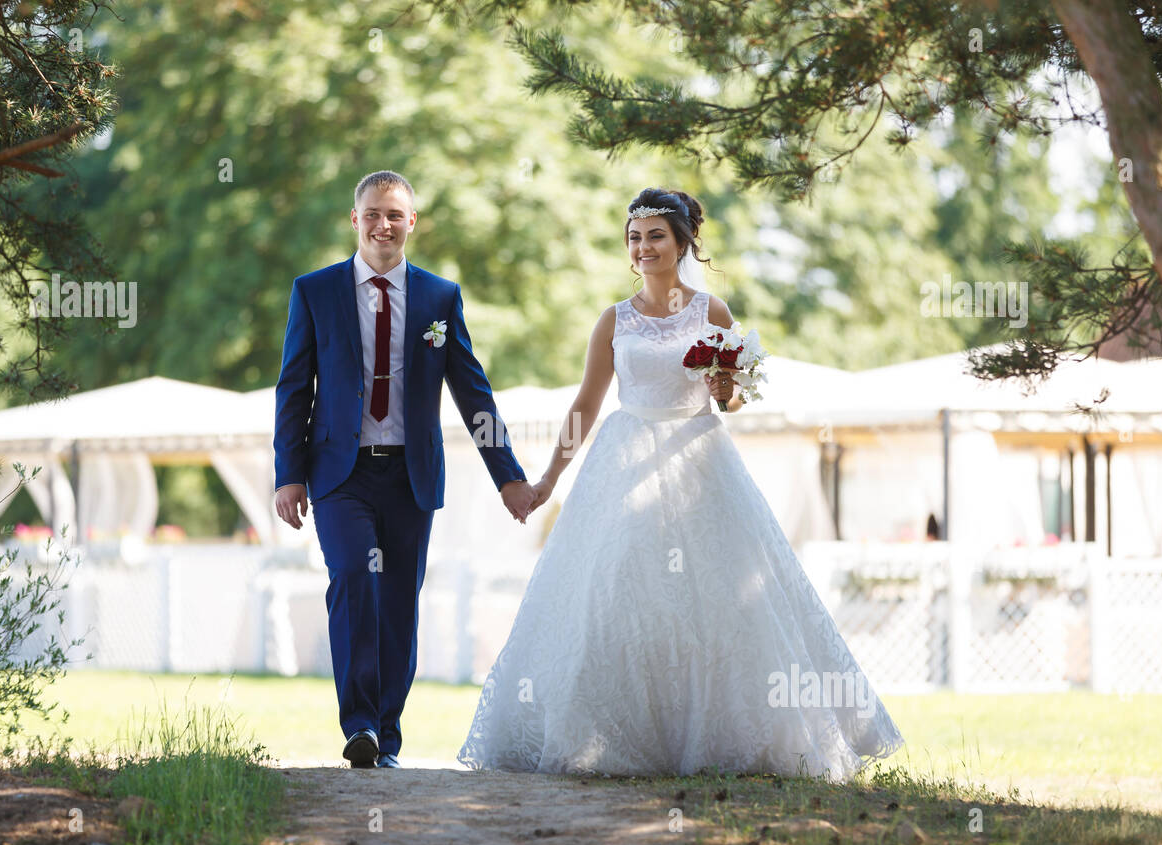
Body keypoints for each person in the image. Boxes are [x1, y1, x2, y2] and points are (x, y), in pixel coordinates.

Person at [457, 187, 905, 781]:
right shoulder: (613, 319)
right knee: (612, 595)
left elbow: (732, 396)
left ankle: (723, 738)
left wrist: (729, 392)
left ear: (682, 241)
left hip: (700, 463)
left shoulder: (712, 312)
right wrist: (546, 479)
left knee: (723, 600)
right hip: (624, 463)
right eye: (635, 237)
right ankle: (604, 736)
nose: (643, 247)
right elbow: (587, 404)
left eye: (656, 236)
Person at [274, 170, 535, 769]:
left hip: (411, 477)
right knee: (353, 581)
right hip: (340, 475)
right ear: (355, 219)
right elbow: (294, 387)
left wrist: (509, 477)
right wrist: (289, 472)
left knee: (399, 601)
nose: (383, 225)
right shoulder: (314, 292)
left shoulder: (440, 298)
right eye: (372, 213)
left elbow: (474, 393)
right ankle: (359, 722)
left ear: (411, 222)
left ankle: (384, 735)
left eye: (395, 214)